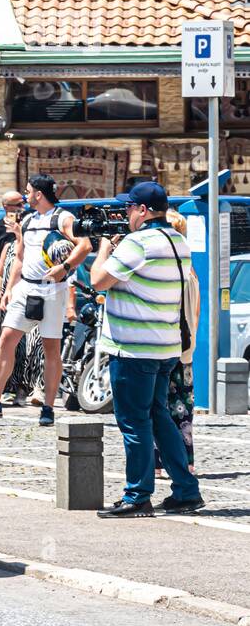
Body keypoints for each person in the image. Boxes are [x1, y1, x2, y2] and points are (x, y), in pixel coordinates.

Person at [90, 182, 203, 518]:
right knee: (158, 416)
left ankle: (137, 495)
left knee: (133, 421)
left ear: (141, 210)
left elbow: (99, 281)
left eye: (128, 208)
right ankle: (186, 490)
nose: (125, 213)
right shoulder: (177, 241)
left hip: (133, 348)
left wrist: (102, 249)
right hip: (165, 346)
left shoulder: (138, 243)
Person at [0, 175, 90, 427]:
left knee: (51, 349)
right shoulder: (26, 220)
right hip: (26, 288)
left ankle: (47, 407)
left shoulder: (63, 218)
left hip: (53, 290)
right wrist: (10, 289)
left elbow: (85, 245)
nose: (25, 196)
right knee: (6, 340)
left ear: (39, 194)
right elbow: (21, 257)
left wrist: (65, 267)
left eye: (28, 192)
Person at [157, 210, 199, 476]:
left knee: (159, 405)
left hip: (166, 345)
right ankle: (185, 460)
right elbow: (195, 313)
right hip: (184, 349)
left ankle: (161, 463)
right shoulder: (189, 268)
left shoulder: (172, 270)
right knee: (181, 409)